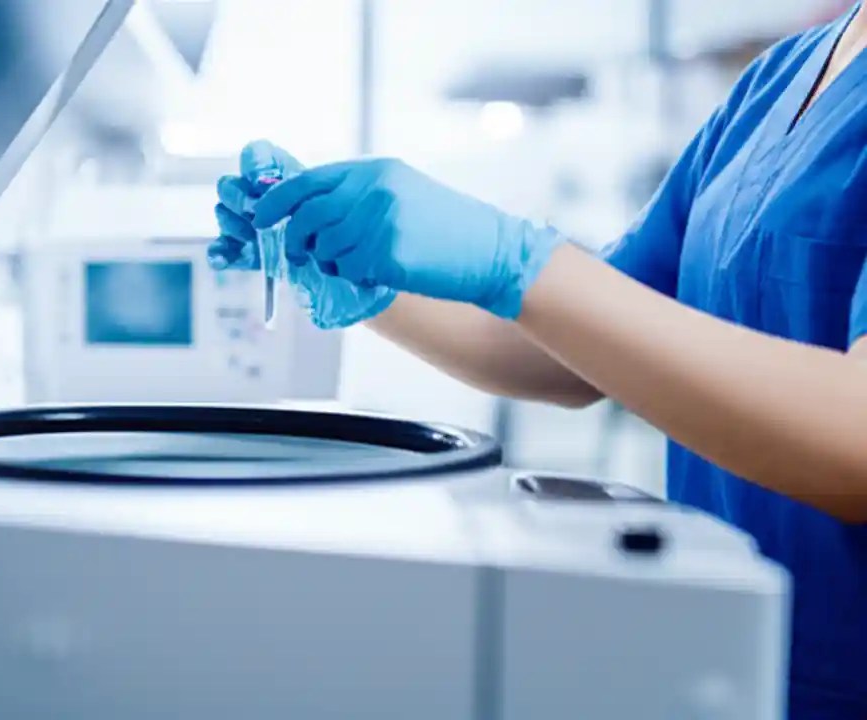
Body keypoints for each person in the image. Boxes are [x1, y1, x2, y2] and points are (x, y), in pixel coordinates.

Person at [210, 6, 867, 719]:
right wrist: (366, 269)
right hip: (727, 658)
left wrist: (515, 259)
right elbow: (584, 349)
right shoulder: (778, 79)